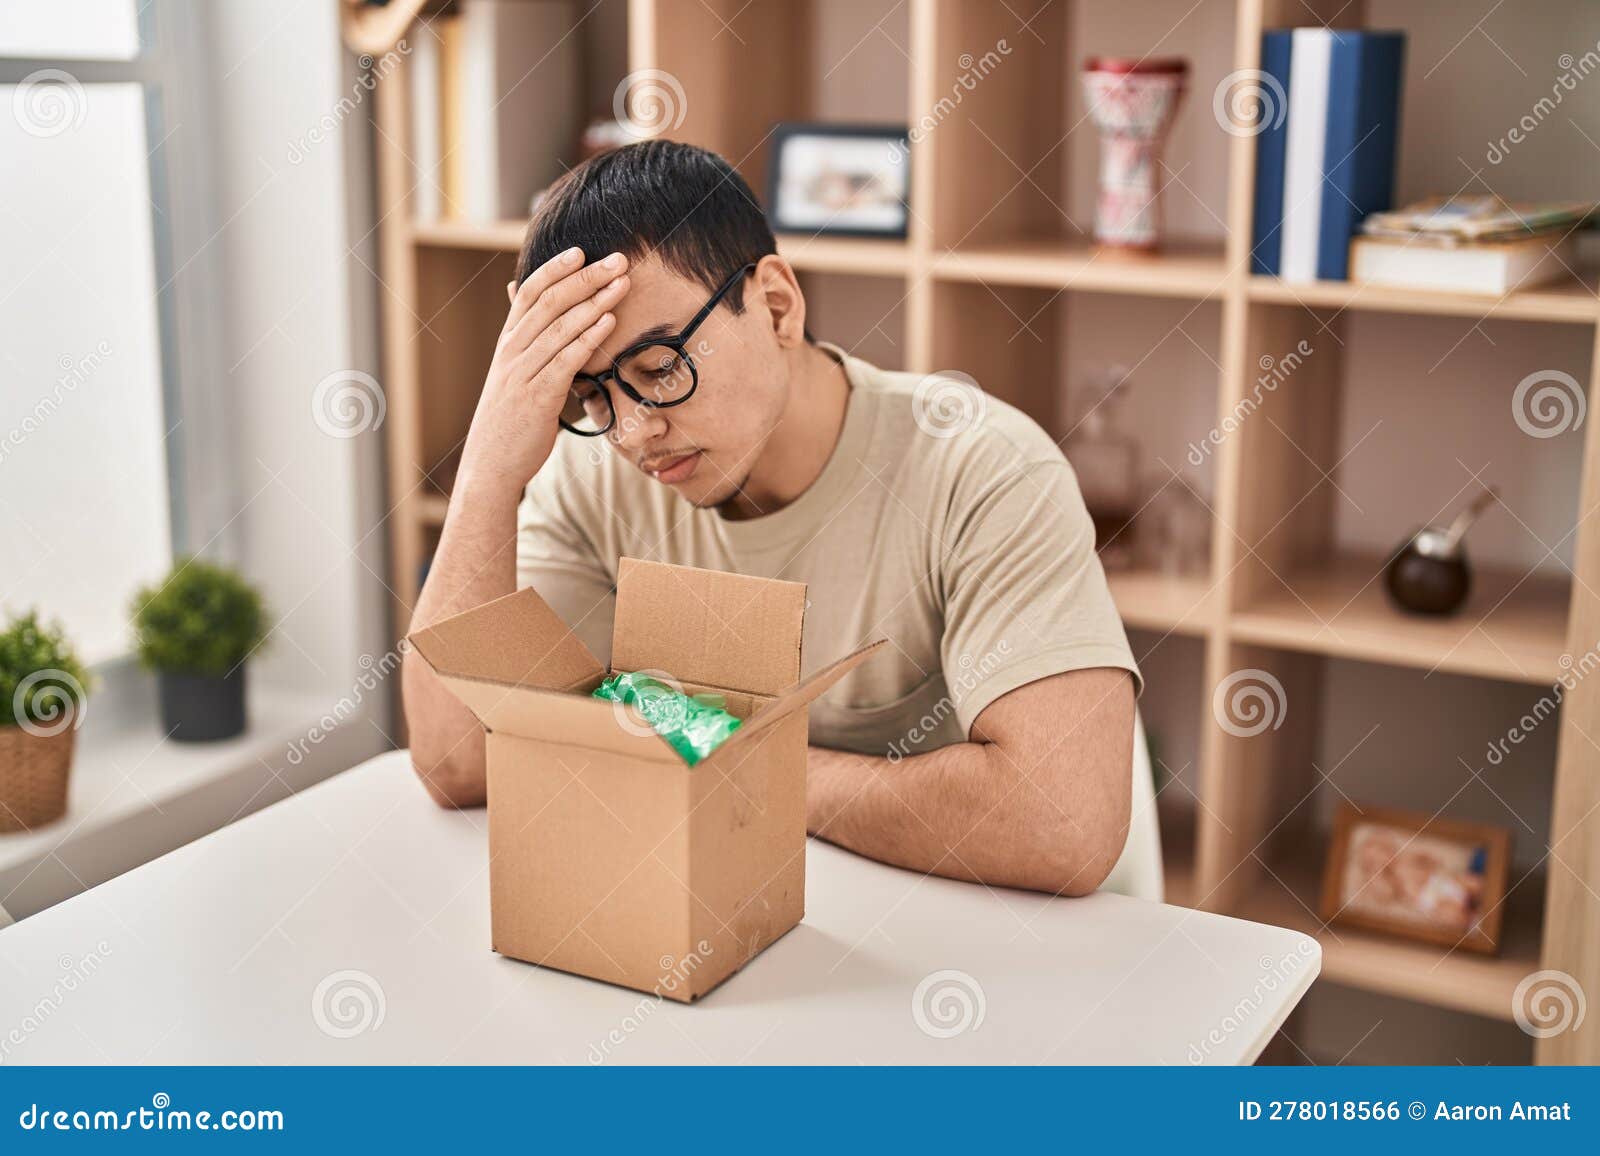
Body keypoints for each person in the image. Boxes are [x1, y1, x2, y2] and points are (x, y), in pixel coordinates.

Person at [402, 140, 1141, 896]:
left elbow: (1062, 826)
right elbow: (459, 761)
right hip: (714, 916)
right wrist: (490, 470)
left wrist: (725, 756)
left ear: (778, 307)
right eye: (593, 395)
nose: (632, 433)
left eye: (661, 368)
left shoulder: (983, 469)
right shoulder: (588, 474)